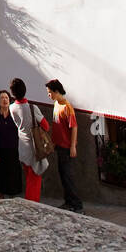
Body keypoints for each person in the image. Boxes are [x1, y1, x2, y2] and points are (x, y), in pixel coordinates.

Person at [9, 77, 50, 201]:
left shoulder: (12, 108)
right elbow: (46, 126)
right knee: (35, 179)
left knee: (28, 177)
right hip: (34, 147)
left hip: (22, 147)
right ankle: (32, 205)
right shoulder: (32, 108)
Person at [46, 79, 83, 212]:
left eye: (50, 92)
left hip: (66, 147)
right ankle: (69, 202)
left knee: (68, 177)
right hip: (59, 146)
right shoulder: (56, 104)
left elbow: (74, 127)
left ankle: (77, 205)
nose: (49, 95)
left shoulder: (67, 107)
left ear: (56, 91)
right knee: (63, 175)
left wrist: (72, 146)